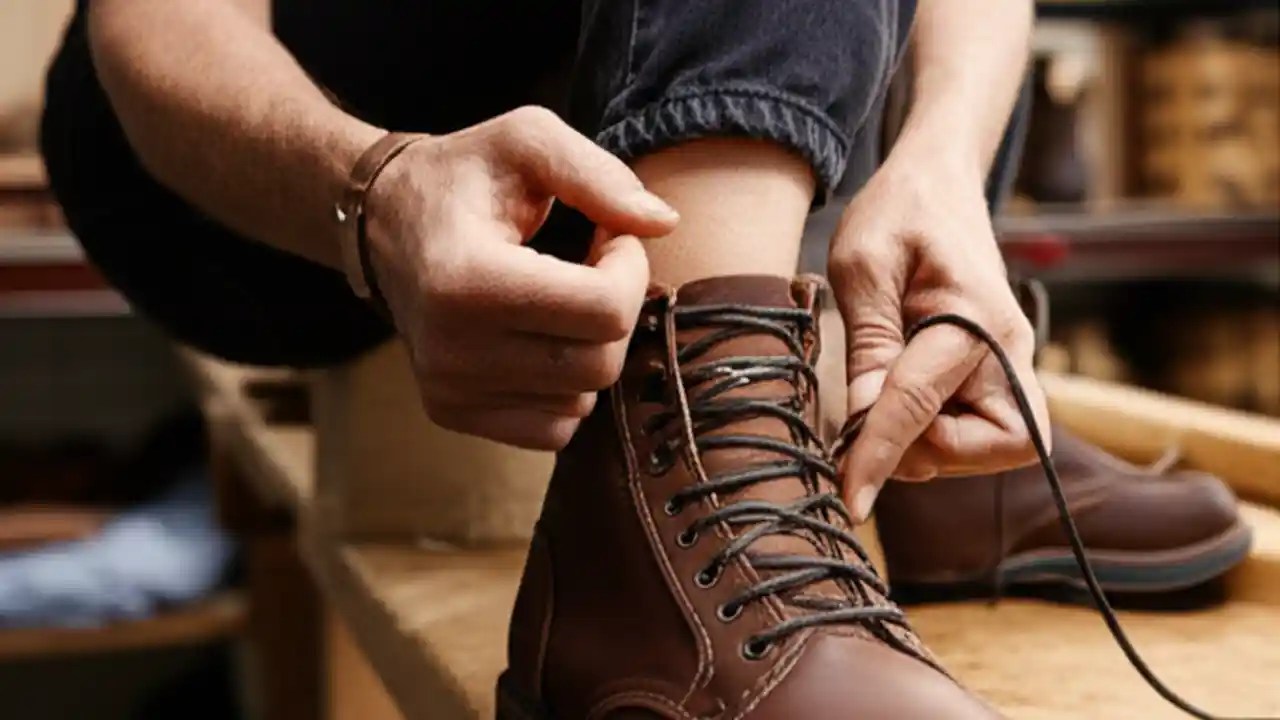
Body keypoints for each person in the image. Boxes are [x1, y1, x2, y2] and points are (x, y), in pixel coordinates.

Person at [41, 1, 1246, 717]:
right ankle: (674, 509)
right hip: (254, 151)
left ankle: (865, 426)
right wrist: (375, 189)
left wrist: (941, 162)